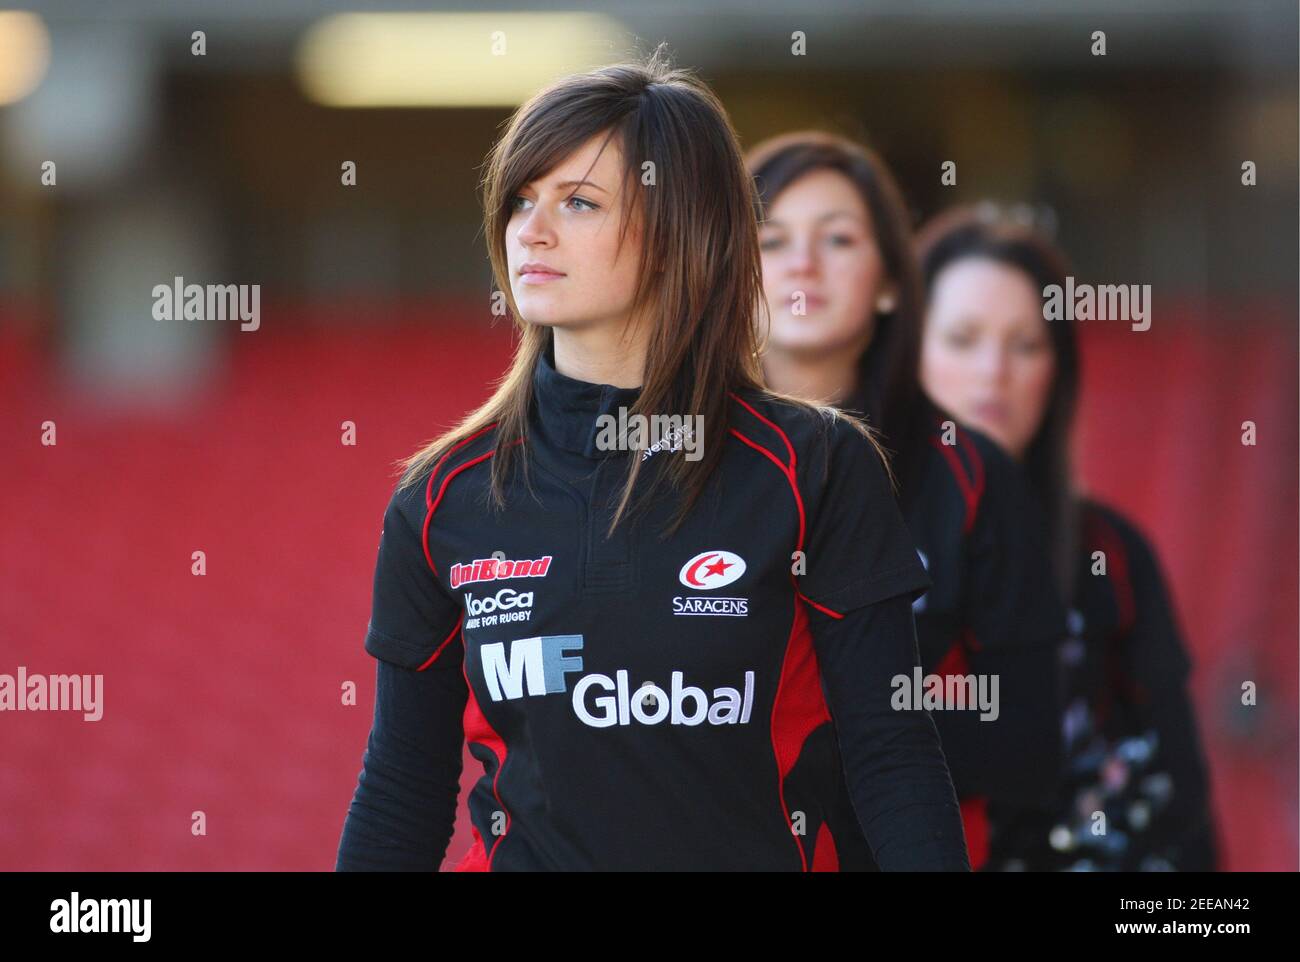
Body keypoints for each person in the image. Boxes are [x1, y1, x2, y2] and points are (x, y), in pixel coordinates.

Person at [335, 49, 969, 872]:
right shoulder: (441, 497)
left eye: (580, 202)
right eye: (523, 199)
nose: (532, 228)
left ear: (680, 233)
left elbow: (891, 755)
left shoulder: (815, 467)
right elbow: (402, 786)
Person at [746, 131, 1067, 870]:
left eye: (838, 239)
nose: (802, 263)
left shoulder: (972, 474)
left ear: (891, 280)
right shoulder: (667, 460)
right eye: (770, 239)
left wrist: (851, 729)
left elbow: (1026, 738)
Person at [916, 205, 1219, 870]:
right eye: (962, 338)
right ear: (906, 352)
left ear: (1058, 372)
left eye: (1026, 345)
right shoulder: (834, 533)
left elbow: (1188, 814)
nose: (993, 371)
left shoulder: (1109, 552)